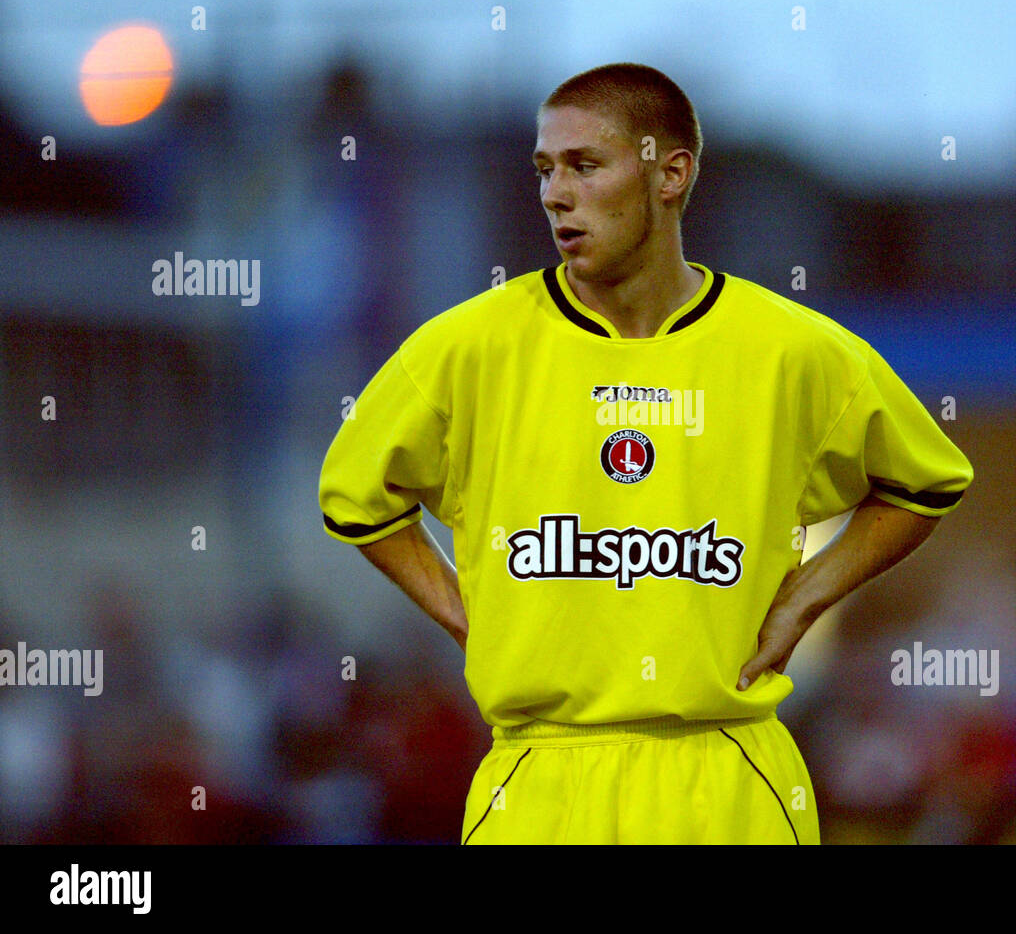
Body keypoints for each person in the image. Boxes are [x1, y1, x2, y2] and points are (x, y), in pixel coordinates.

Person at [318, 63, 974, 844]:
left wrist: (804, 600)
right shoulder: (468, 348)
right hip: (539, 776)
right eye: (545, 170)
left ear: (671, 173)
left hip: (727, 771)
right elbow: (354, 493)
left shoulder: (791, 352)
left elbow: (926, 481)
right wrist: (466, 614)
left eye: (585, 166)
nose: (556, 193)